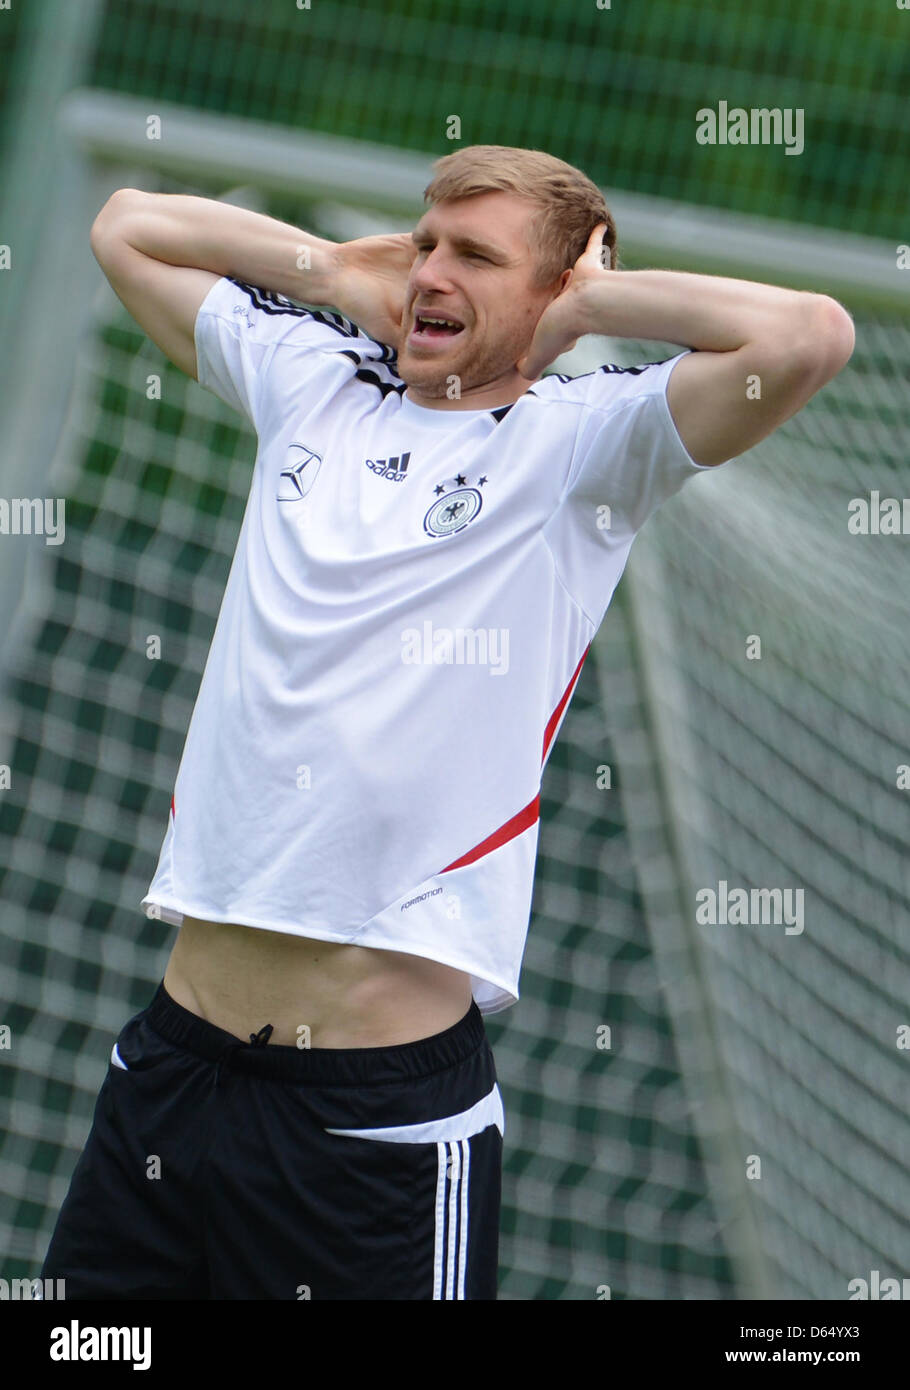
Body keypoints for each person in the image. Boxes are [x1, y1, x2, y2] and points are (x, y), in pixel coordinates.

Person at [40, 145, 854, 1300]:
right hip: (170, 1074)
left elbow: (809, 337)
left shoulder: (585, 445)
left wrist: (584, 304)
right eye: (425, 241)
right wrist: (337, 269)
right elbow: (126, 225)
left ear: (564, 287)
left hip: (370, 1128)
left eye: (476, 255)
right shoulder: (307, 378)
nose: (431, 270)